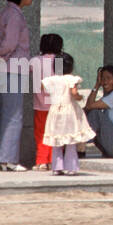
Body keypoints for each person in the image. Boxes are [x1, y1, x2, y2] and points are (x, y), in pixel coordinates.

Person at [0, 0, 35, 171]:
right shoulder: (15, 16)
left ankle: (3, 158)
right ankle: (8, 160)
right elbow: (10, 44)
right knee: (14, 115)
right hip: (13, 68)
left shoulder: (4, 13)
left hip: (5, 69)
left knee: (5, 113)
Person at [40, 53, 95, 176]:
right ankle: (71, 167)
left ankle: (56, 167)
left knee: (57, 140)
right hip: (69, 111)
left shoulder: (51, 80)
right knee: (71, 139)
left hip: (55, 111)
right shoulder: (71, 79)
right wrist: (80, 97)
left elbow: (43, 88)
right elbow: (74, 93)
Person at [30, 33, 64, 171]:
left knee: (41, 134)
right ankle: (52, 160)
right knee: (54, 133)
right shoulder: (60, 61)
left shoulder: (34, 61)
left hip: (40, 105)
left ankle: (41, 161)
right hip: (57, 103)